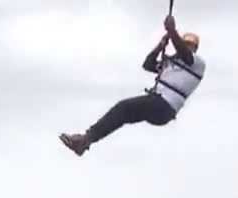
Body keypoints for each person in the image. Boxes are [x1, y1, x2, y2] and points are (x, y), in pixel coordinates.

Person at [60, 15, 204, 156]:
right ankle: (86, 141)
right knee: (122, 113)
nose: (186, 47)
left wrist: (172, 32)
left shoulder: (197, 63)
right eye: (185, 44)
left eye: (190, 46)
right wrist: (160, 46)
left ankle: (85, 140)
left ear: (195, 49)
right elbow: (148, 65)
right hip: (158, 105)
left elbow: (185, 53)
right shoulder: (171, 63)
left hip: (164, 105)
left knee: (124, 107)